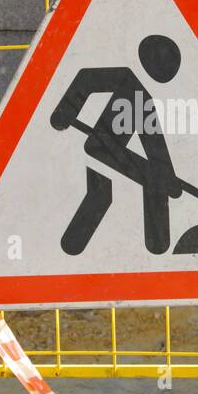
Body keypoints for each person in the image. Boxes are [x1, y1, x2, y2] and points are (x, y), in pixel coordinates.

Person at [50, 34, 183, 255]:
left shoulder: (144, 99)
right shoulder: (126, 79)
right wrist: (64, 114)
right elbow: (86, 80)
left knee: (145, 182)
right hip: (100, 145)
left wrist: (167, 177)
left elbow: (154, 143)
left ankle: (158, 247)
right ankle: (72, 246)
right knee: (102, 194)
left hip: (110, 150)